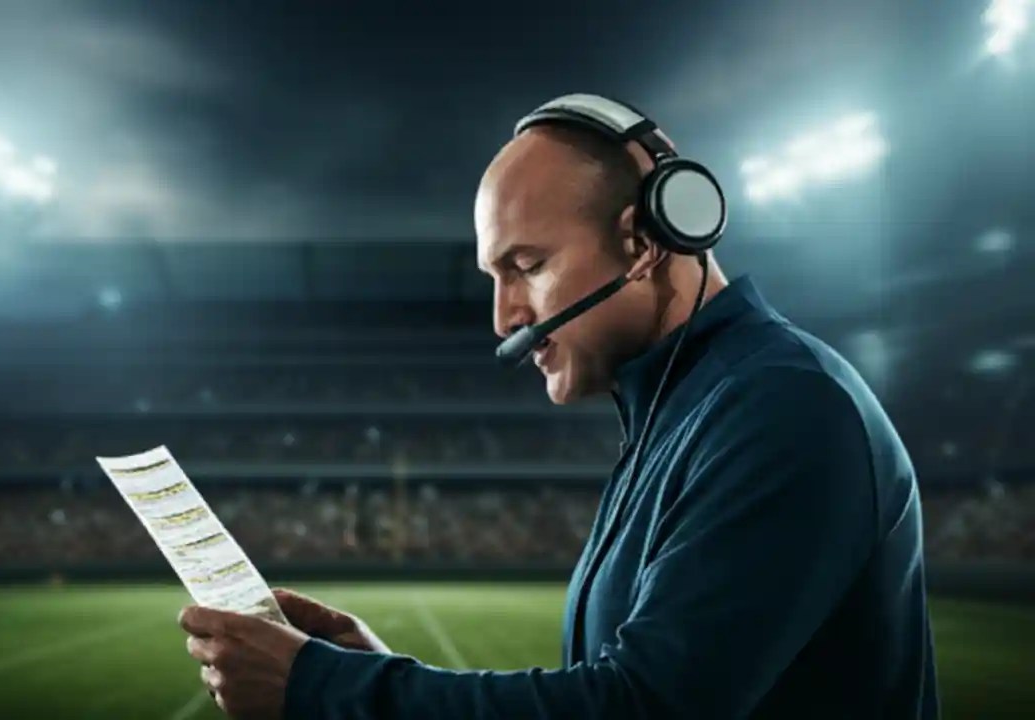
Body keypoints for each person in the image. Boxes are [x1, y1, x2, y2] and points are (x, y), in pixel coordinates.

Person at [179, 94, 940, 719]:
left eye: (528, 266)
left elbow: (641, 709)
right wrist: (373, 670)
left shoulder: (784, 405)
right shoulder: (684, 413)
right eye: (495, 277)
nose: (505, 317)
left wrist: (324, 689)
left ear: (644, 242)